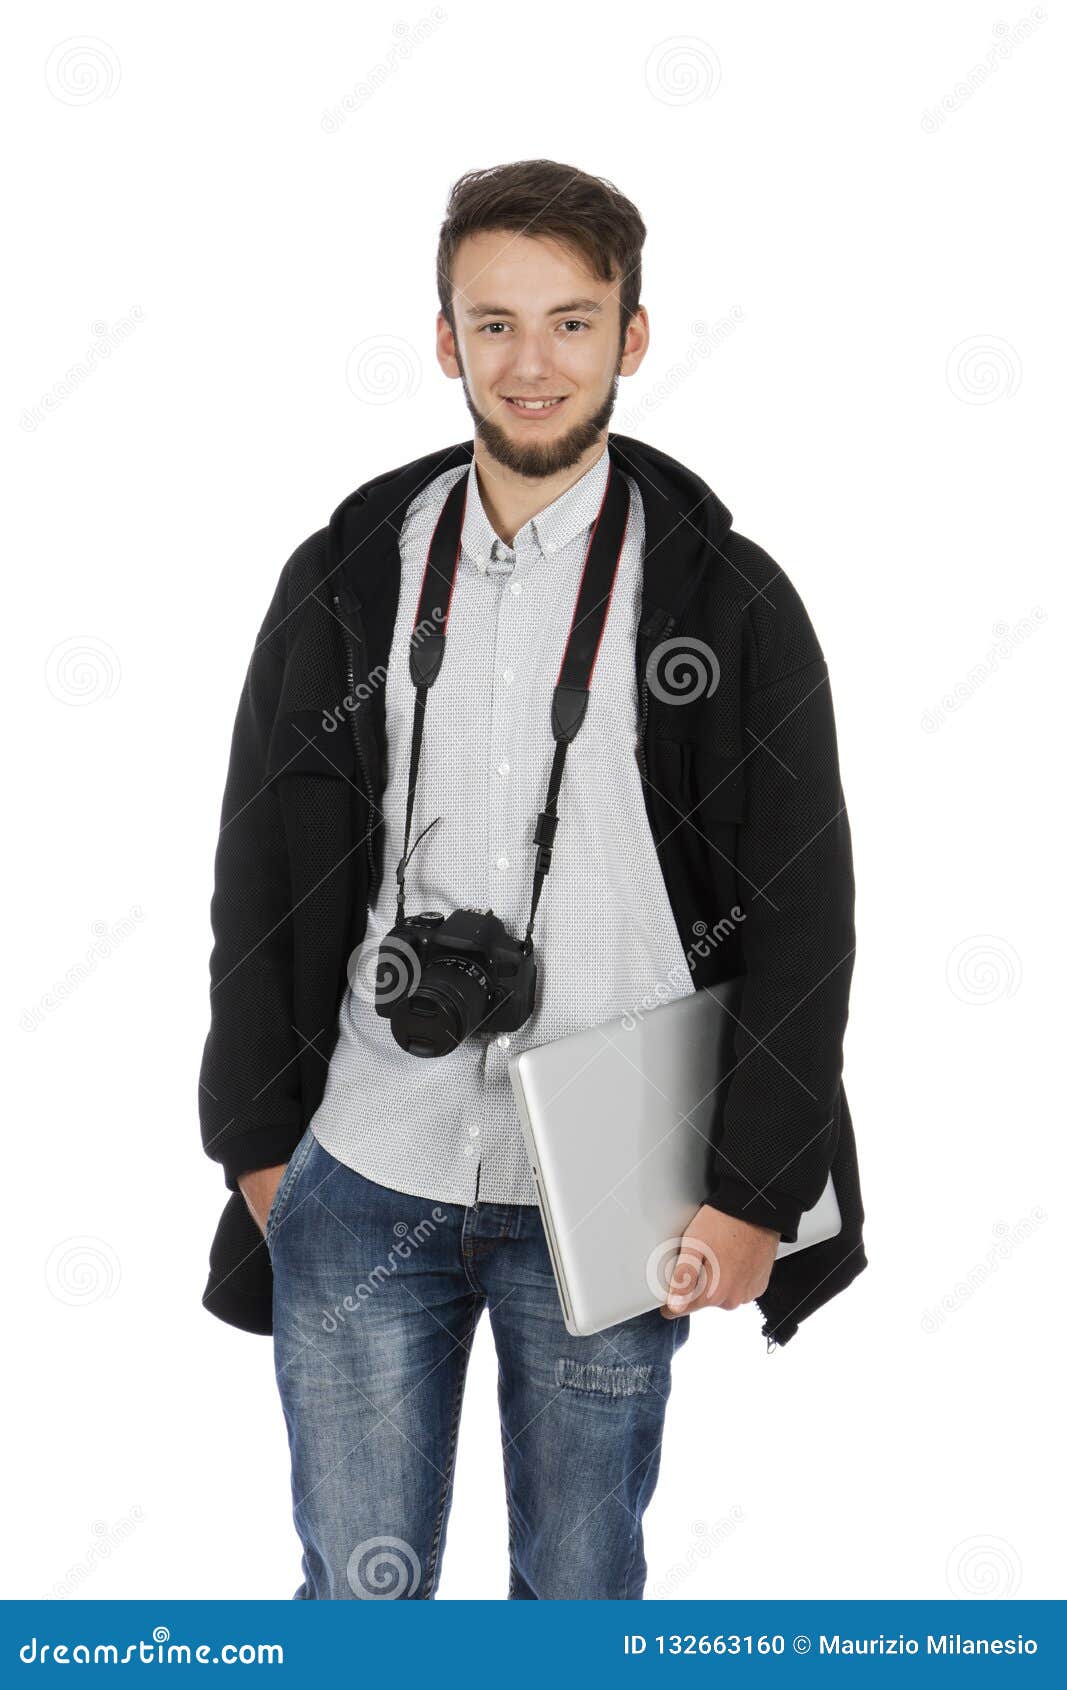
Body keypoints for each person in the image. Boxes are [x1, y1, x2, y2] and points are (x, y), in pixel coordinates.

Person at [198, 158, 867, 1601]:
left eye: (572, 321)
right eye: (492, 323)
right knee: (356, 1601)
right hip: (368, 1163)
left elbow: (807, 912)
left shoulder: (725, 600)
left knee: (578, 1591)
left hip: (621, 1189)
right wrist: (262, 1148)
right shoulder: (346, 576)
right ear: (444, 339)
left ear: (632, 336)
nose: (532, 361)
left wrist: (755, 1188)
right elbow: (257, 870)